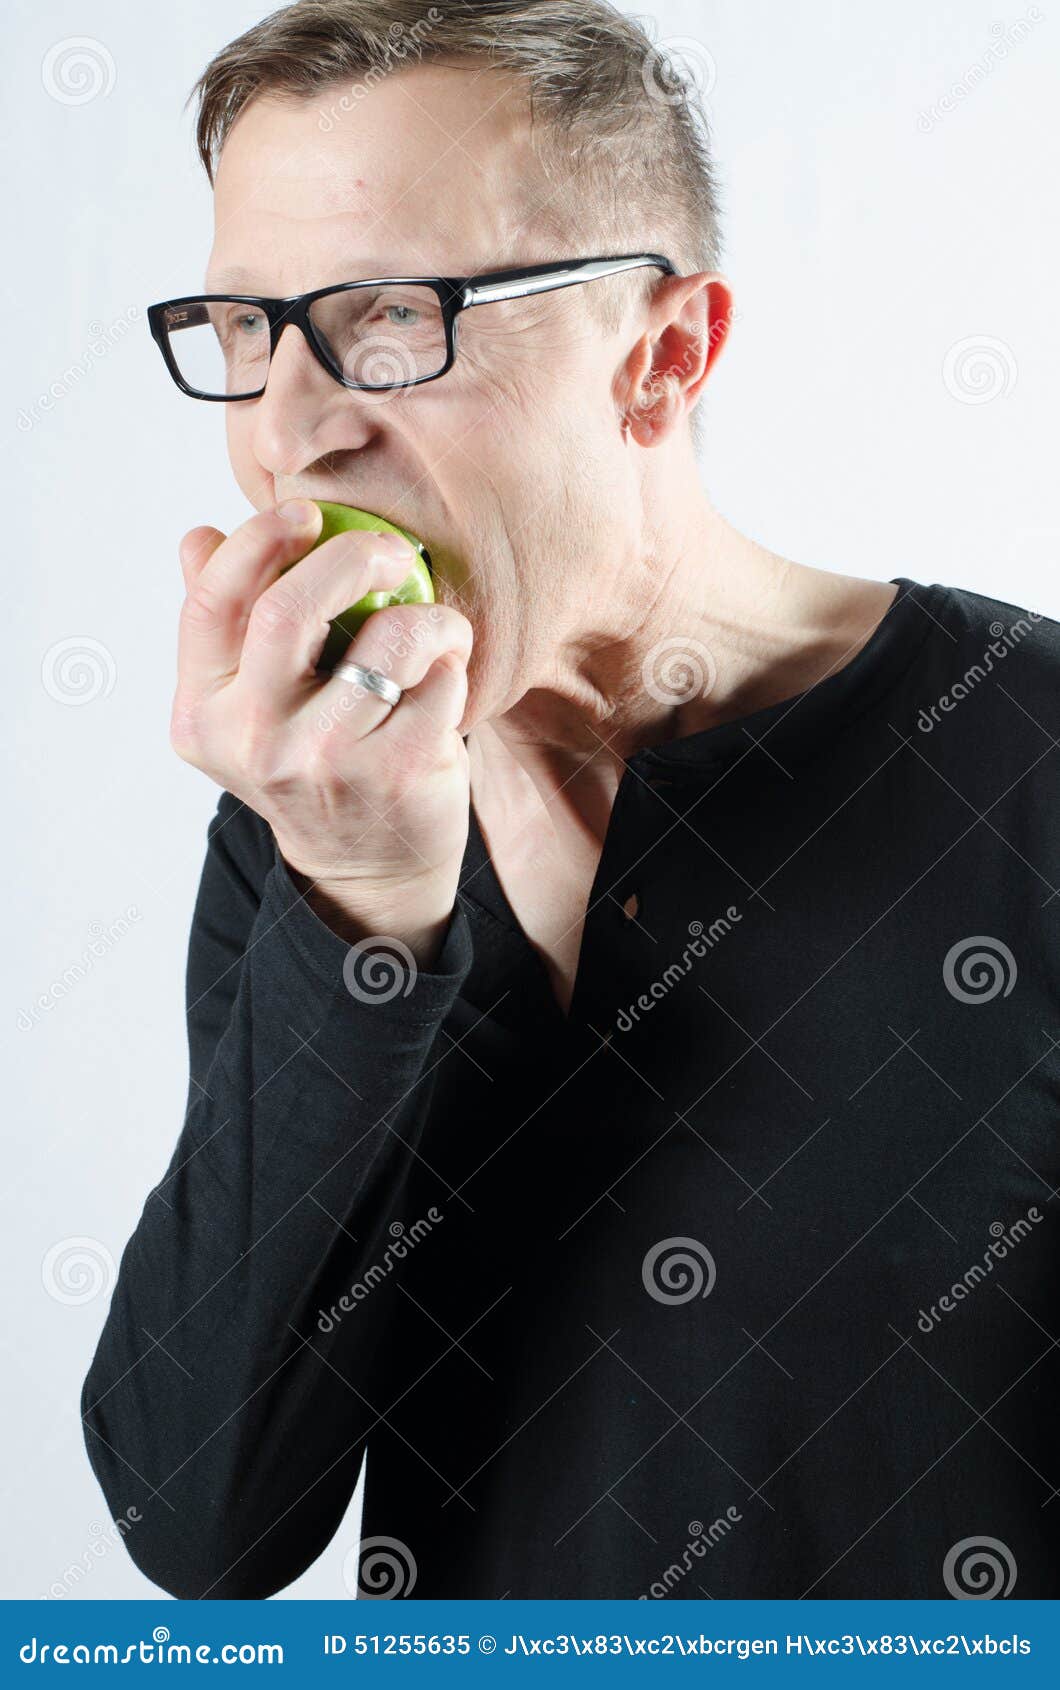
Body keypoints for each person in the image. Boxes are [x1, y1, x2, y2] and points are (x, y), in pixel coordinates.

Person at [82, 0, 1060, 1600]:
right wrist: (358, 913)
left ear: (665, 356)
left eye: (390, 317)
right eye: (249, 329)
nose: (288, 430)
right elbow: (200, 1520)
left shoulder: (1027, 751)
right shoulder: (315, 817)